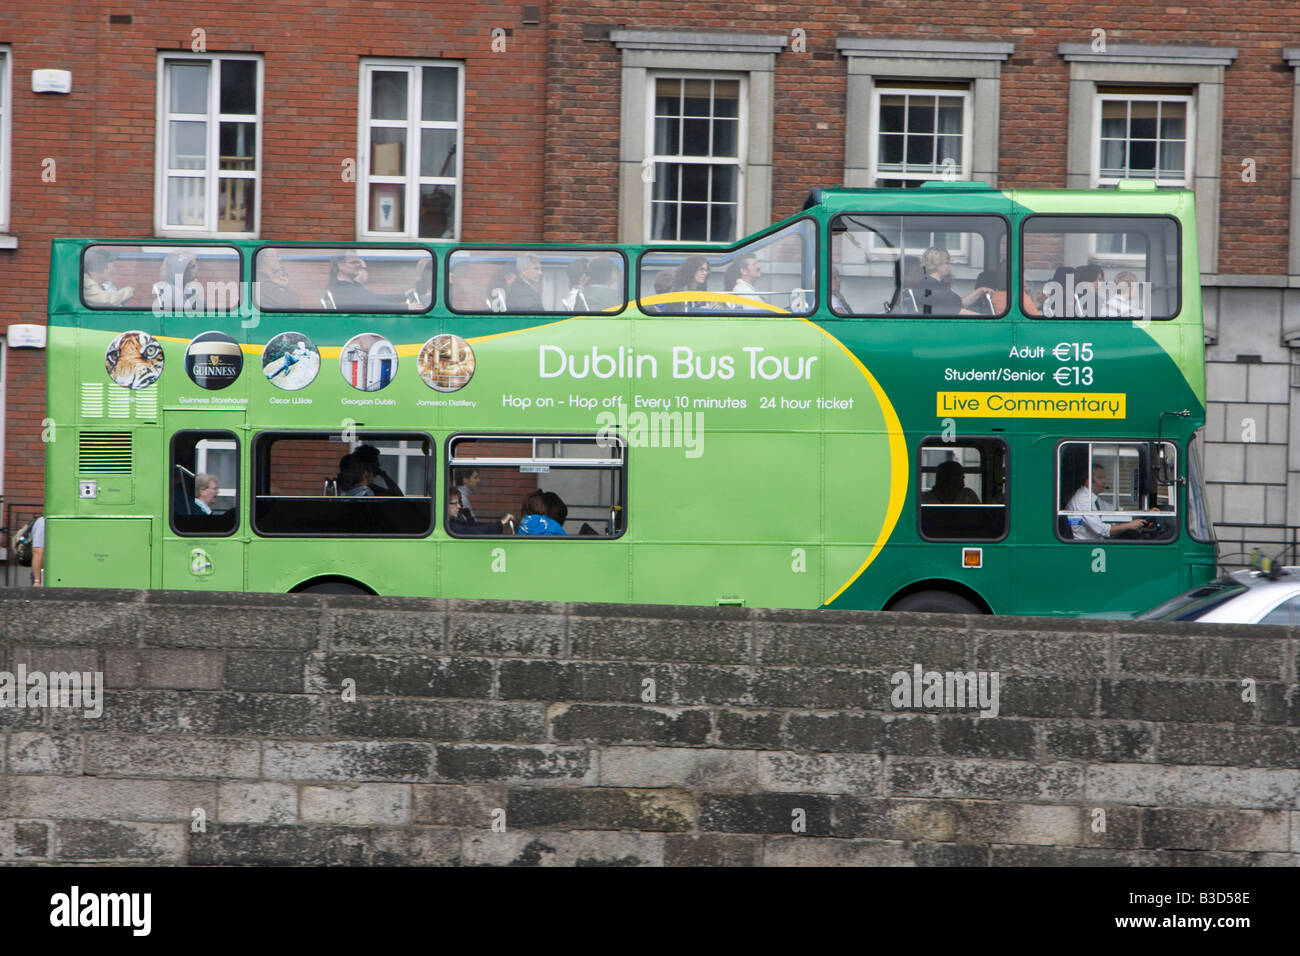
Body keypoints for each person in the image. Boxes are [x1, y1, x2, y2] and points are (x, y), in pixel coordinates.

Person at [1066, 464, 1145, 540]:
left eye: (1104, 477)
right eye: (1100, 478)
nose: (1104, 481)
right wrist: (1129, 525)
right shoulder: (1082, 500)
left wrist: (1145, 513)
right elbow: (1102, 530)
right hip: (1086, 546)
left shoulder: (1093, 498)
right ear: (1087, 481)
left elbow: (1117, 511)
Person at [326, 251, 414, 311]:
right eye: (354, 262)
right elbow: (374, 305)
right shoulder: (343, 289)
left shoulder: (353, 285)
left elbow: (374, 298)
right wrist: (406, 308)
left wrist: (403, 295)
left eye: (358, 262)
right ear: (341, 265)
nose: (358, 265)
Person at [916, 246, 991, 316]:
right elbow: (955, 311)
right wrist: (985, 318)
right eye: (946, 263)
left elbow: (959, 303)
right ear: (937, 264)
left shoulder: (935, 284)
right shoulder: (932, 287)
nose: (950, 266)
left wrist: (980, 291)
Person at [447, 487, 514, 535]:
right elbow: (474, 531)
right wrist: (500, 524)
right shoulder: (450, 526)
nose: (459, 506)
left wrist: (499, 524)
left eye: (459, 503)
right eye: (455, 503)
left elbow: (473, 526)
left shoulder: (454, 522)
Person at [30, 515, 45, 587]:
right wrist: (37, 580)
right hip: (44, 575)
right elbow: (38, 551)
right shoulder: (44, 522)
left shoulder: (43, 521)